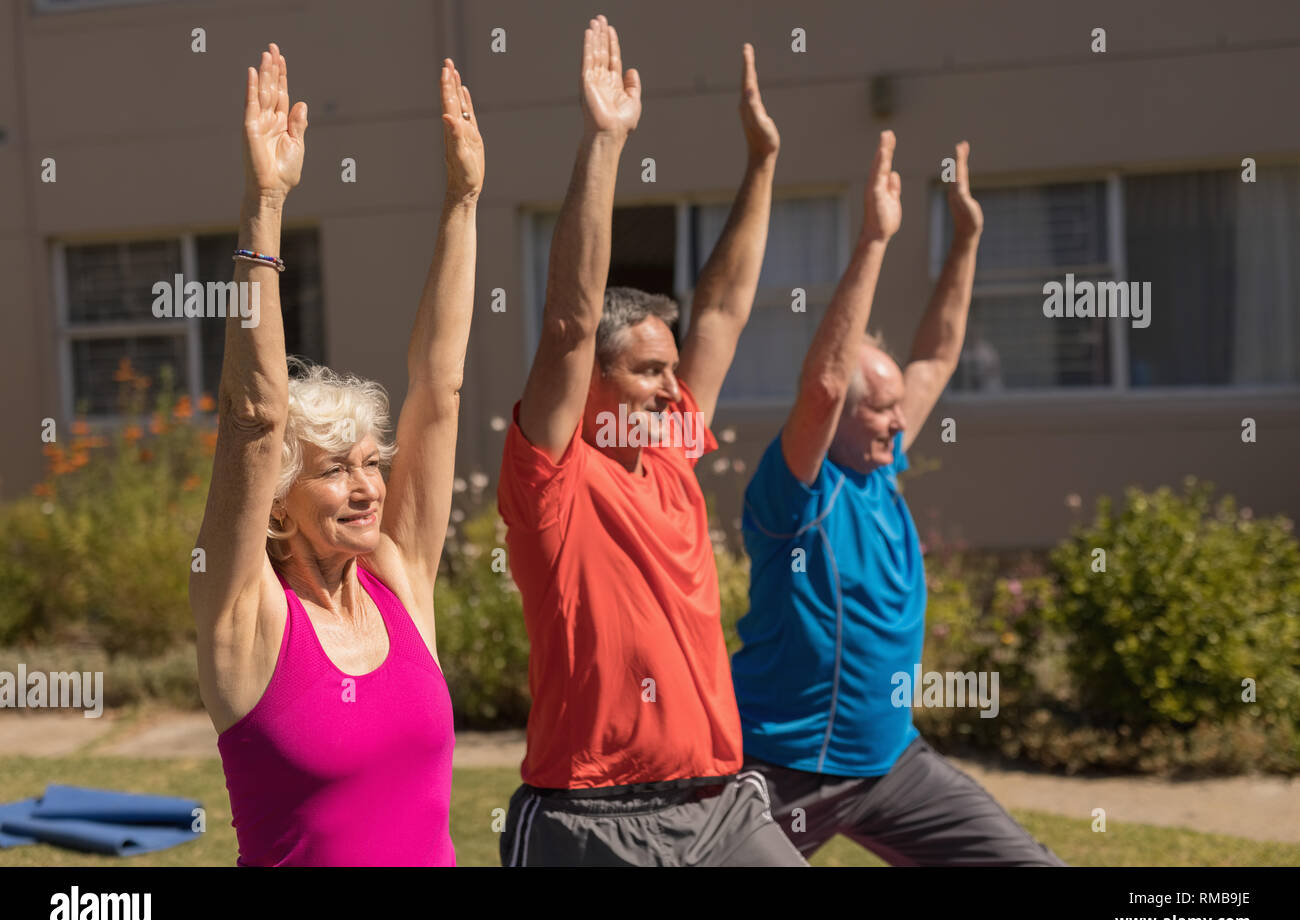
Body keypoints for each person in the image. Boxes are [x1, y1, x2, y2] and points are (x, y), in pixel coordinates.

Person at [496, 16, 804, 867]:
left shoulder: (665, 450)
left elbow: (724, 311)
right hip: (589, 817)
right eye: (647, 373)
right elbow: (567, 322)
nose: (675, 390)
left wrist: (764, 163)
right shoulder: (553, 478)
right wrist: (605, 143)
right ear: (593, 384)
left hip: (722, 807)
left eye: (673, 374)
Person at [733, 135, 1066, 866]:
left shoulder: (879, 467)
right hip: (784, 768)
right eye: (879, 407)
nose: (899, 416)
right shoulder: (797, 492)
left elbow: (938, 353)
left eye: (895, 406)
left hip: (890, 765)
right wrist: (874, 241)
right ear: (837, 420)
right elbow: (822, 384)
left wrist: (967, 241)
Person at [189, 44, 483, 866]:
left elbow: (440, 386)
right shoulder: (248, 618)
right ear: (277, 501)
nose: (365, 489)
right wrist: (267, 204)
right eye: (332, 469)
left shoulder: (398, 577)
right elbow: (253, 417)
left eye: (369, 463)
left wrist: (463, 201)